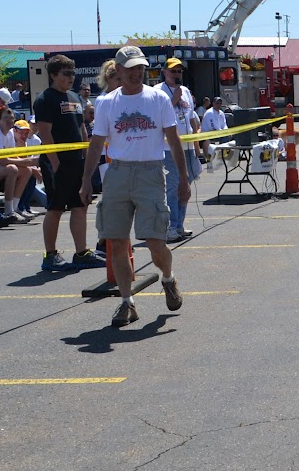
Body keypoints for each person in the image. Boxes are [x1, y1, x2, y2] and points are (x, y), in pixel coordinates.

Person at [81, 44, 190, 328]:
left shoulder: (158, 99)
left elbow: (174, 140)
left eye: (140, 67)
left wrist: (183, 179)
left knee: (155, 240)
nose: (136, 73)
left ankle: (168, 278)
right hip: (117, 173)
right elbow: (95, 145)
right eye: (130, 68)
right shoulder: (107, 103)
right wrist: (86, 182)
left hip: (150, 172)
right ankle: (127, 303)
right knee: (117, 240)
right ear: (118, 70)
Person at [34, 54, 104, 272]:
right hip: (57, 162)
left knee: (79, 206)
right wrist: (55, 164)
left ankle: (81, 252)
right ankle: (50, 255)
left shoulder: (75, 97)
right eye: (66, 74)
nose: (71, 77)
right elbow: (45, 134)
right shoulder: (45, 100)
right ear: (54, 75)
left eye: (73, 73)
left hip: (77, 161)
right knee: (55, 208)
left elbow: (82, 128)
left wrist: (86, 155)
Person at [161, 57, 201, 243]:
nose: (176, 74)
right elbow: (158, 118)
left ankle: (179, 225)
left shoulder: (185, 91)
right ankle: (170, 226)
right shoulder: (158, 92)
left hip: (187, 147)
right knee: (173, 186)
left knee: (186, 185)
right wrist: (173, 99)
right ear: (165, 72)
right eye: (173, 71)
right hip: (168, 148)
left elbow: (191, 118)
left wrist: (197, 144)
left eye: (179, 71)